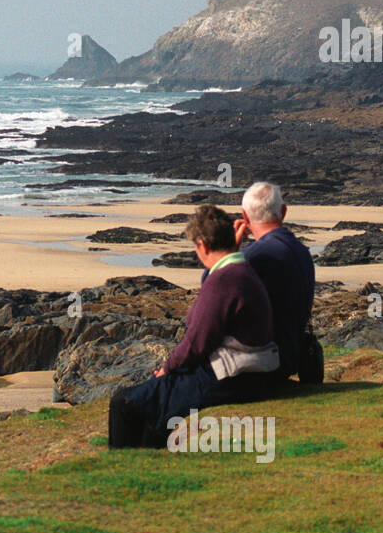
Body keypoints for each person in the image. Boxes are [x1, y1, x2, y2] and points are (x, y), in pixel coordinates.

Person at [109, 205, 282, 449]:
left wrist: (166, 368)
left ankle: (120, 469)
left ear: (202, 245)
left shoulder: (223, 280)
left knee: (123, 402)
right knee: (155, 408)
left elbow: (197, 343)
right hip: (251, 371)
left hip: (231, 377)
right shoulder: (240, 271)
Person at [233, 182, 318, 383]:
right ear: (283, 211)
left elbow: (210, 285)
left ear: (244, 217)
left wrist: (229, 250)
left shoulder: (253, 257)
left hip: (259, 364)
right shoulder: (302, 251)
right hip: (290, 355)